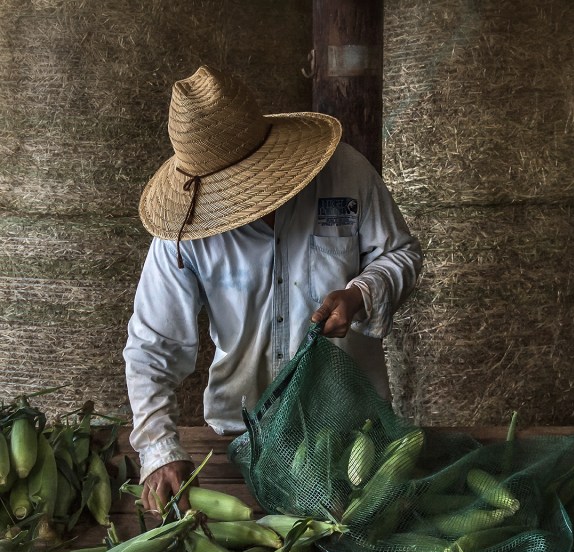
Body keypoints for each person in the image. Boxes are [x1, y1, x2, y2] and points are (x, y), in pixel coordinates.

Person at [123, 65, 422, 515]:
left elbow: (401, 255)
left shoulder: (345, 173)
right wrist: (159, 449)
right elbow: (152, 344)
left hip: (351, 429)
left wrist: (361, 293)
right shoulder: (185, 227)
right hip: (244, 435)